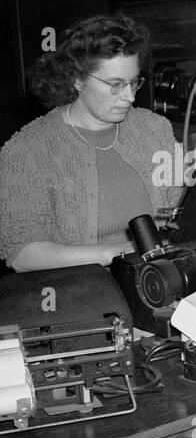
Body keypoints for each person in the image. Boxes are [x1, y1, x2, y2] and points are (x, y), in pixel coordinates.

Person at [0, 15, 181, 272]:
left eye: (134, 82)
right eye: (116, 85)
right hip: (85, 296)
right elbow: (21, 253)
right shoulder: (28, 149)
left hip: (158, 280)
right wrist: (114, 254)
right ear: (78, 79)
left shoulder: (154, 128)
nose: (129, 96)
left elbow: (177, 212)